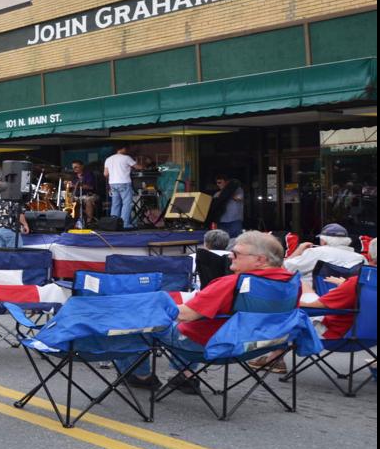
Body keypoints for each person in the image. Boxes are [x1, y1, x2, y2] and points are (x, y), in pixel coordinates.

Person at [114, 231, 293, 392]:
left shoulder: (231, 283)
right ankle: (185, 376)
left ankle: (141, 376)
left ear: (260, 260)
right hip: (255, 344)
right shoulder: (291, 282)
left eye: (237, 253)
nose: (230, 255)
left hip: (212, 344)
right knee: (197, 324)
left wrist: (143, 308)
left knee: (138, 320)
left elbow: (184, 314)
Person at [282, 222, 366, 275]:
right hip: (348, 299)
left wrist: (298, 251)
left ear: (324, 241)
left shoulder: (315, 253)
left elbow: (284, 269)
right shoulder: (361, 258)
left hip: (316, 298)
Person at [104, 144, 136, 228]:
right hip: (124, 182)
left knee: (115, 204)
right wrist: (144, 166)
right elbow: (137, 167)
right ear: (123, 148)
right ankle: (124, 224)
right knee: (127, 203)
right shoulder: (126, 158)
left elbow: (105, 174)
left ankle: (113, 224)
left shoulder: (108, 159)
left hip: (112, 184)